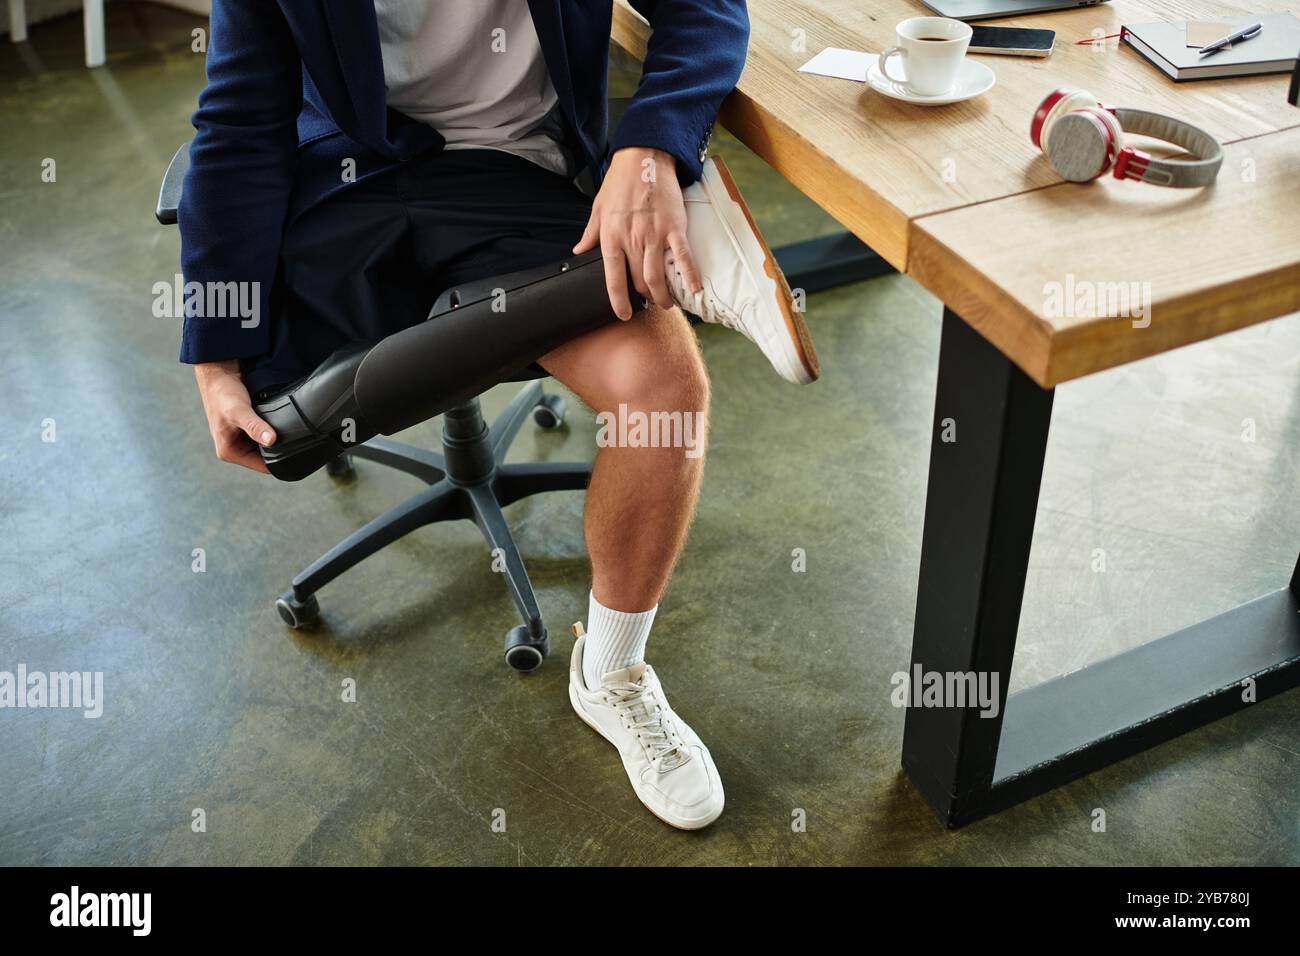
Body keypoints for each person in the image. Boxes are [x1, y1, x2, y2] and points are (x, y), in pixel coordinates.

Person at [182, 0, 818, 830]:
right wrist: (215, 357)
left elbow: (706, 6)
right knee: (283, 433)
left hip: (518, 181)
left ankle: (613, 675)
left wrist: (653, 144)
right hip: (351, 185)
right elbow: (239, 122)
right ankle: (684, 257)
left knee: (666, 394)